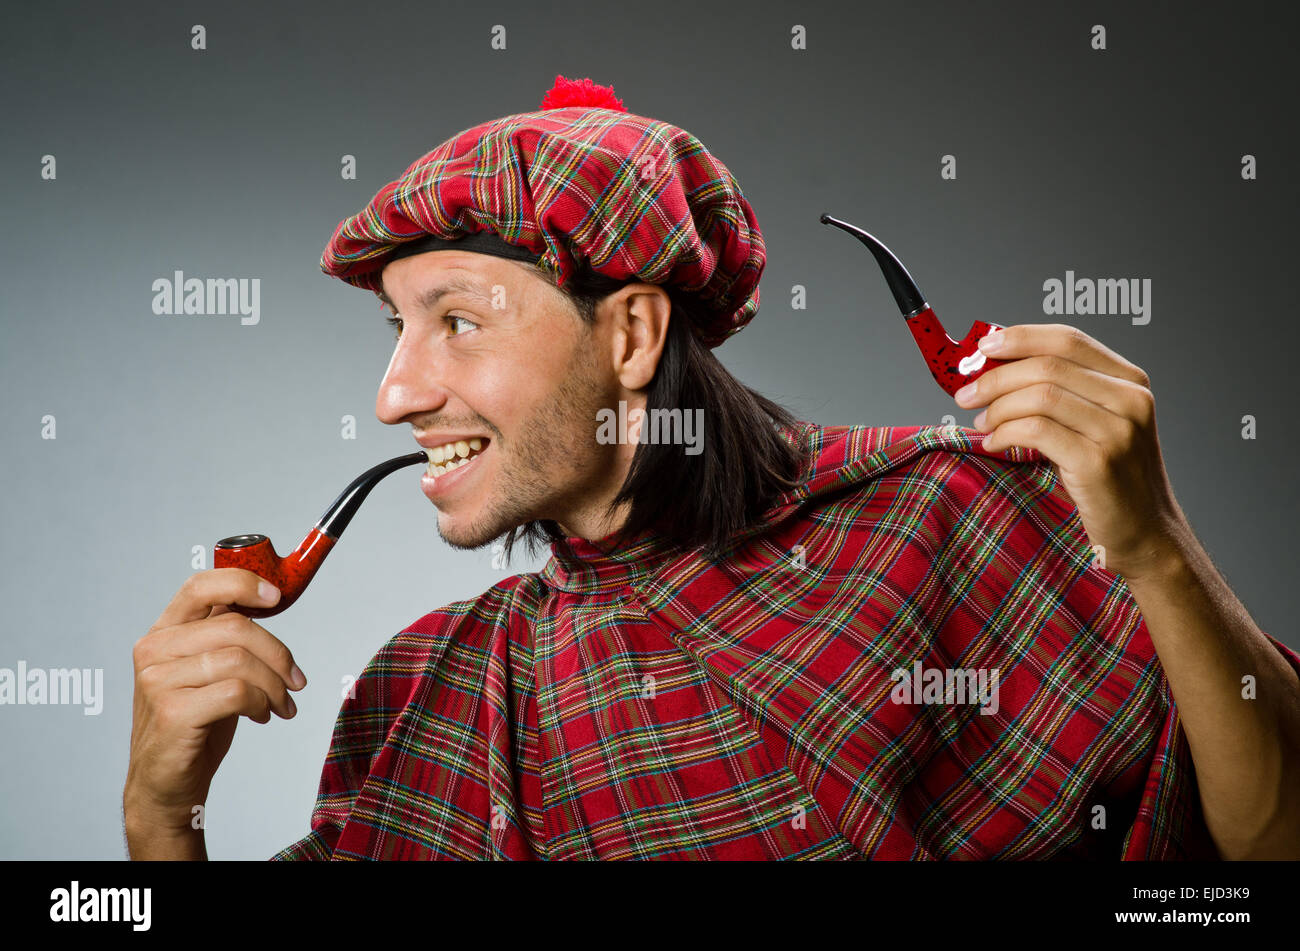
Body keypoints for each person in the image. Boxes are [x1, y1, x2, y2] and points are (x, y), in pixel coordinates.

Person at [124, 76, 1300, 860]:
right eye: (397, 332)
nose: (393, 395)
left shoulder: (950, 510)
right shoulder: (436, 688)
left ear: (631, 335)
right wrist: (159, 815)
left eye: (459, 321)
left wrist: (1153, 545)